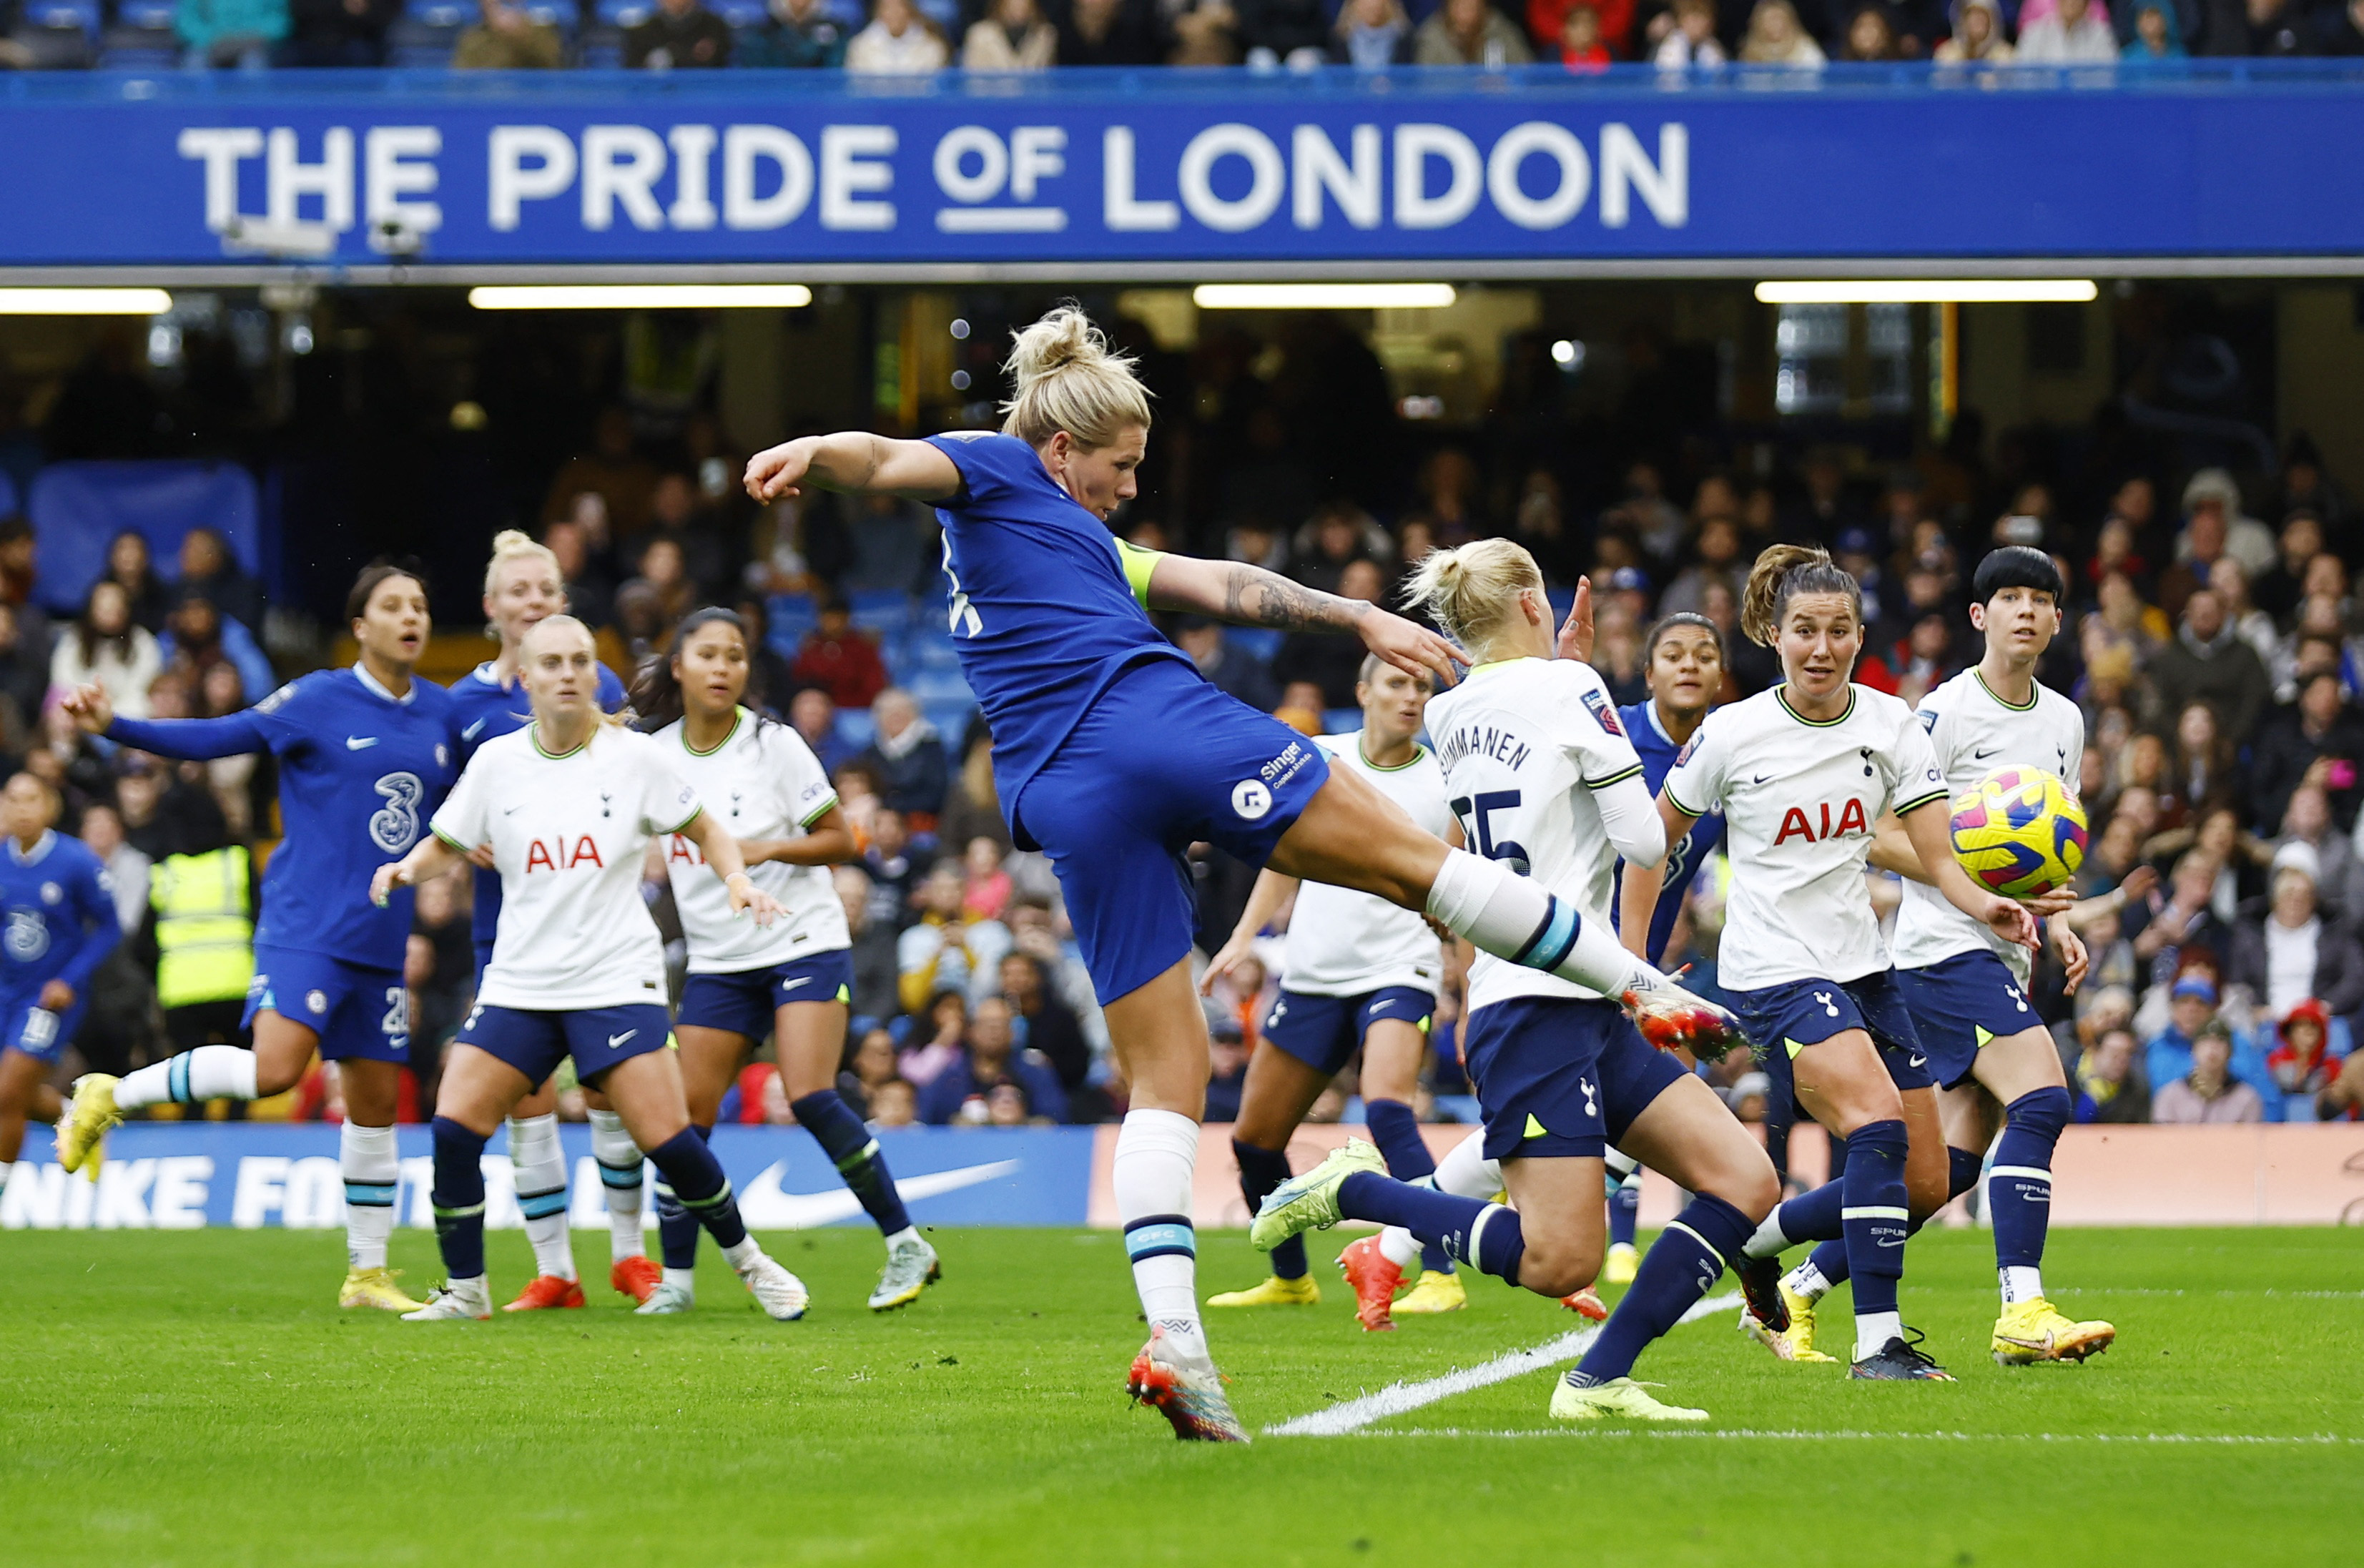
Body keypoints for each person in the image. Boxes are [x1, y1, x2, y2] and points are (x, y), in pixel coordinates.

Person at [742, 305, 1735, 1441]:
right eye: (1119, 467)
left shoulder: (1057, 539)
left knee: (1165, 1083)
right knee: (1416, 866)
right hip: (1150, 722)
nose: (1125, 486)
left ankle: (1177, 1351)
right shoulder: (1001, 466)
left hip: (1064, 796)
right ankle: (1645, 990)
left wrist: (1352, 610)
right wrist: (817, 454)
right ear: (1064, 450)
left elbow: (1217, 583)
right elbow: (888, 460)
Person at [1254, 538, 1781, 1423]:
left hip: (1571, 997)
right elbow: (1644, 843)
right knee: (1560, 1261)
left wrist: (1576, 689)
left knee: (1745, 1180)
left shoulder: (1453, 710)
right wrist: (1597, 709)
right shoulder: (1572, 692)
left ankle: (1596, 1380)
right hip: (1544, 1002)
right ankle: (1356, 1191)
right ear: (1536, 603)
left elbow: (1531, 776)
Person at [1632, 544, 2040, 1381]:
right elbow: (1649, 842)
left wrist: (1987, 902)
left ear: (1861, 637)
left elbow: (1935, 852)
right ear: (1774, 636)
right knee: (1877, 1128)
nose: (1822, 648)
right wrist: (1629, 964)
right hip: (1772, 972)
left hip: (1863, 966)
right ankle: (1878, 1344)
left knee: (1928, 1181)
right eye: (1805, 631)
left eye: (1839, 631)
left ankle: (1757, 1242)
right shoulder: (1732, 731)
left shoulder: (1892, 724)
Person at [369, 616, 807, 1323]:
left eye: (579, 660)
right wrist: (405, 868)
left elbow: (708, 830)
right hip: (522, 982)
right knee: (454, 1127)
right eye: (552, 663)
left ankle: (751, 1264)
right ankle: (466, 1291)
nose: (568, 672)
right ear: (528, 678)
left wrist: (735, 879)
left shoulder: (634, 759)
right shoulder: (497, 762)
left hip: (613, 980)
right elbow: (446, 842)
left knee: (670, 1142)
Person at [55, 564, 461, 1314]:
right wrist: (111, 725)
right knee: (276, 1070)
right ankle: (112, 1093)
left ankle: (366, 1275)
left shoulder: (444, 715)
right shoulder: (317, 699)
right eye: (393, 606)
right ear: (361, 627)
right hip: (305, 925)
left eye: (422, 606)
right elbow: (217, 738)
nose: (413, 617)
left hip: (380, 937)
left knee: (375, 1106)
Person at [1814, 546, 2114, 1366]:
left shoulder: (2065, 720)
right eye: (2008, 597)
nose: (2025, 610)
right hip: (1942, 952)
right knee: (2046, 1100)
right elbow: (1875, 832)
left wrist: (2059, 923)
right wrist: (1973, 877)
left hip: (2006, 954)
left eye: (2040, 598)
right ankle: (2023, 1309)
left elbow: (2045, 851)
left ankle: (1797, 1286)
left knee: (1940, 1174)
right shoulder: (1940, 716)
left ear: (2057, 619)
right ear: (1979, 618)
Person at [637, 608, 938, 1313]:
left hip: (802, 939)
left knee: (808, 1093)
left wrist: (763, 849)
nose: (723, 668)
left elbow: (843, 840)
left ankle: (904, 1244)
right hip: (718, 957)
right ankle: (677, 1283)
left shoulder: (773, 745)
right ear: (677, 667)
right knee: (684, 1119)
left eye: (735, 657)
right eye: (707, 654)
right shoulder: (650, 756)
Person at [1199, 656, 1460, 1328]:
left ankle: (1438, 1271)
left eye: (1421, 686)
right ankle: (1291, 1281)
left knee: (1387, 1108)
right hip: (1316, 973)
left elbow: (1461, 879)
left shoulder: (1444, 777)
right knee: (1255, 1140)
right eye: (1397, 683)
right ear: (1363, 689)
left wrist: (1460, 962)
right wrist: (1242, 936)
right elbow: (1286, 856)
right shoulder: (1320, 758)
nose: (1410, 697)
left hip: (1400, 968)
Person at [447, 531, 649, 1312]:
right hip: (507, 930)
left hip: (597, 924)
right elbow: (445, 803)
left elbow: (635, 777)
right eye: (519, 591)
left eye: (546, 590)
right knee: (525, 1100)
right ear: (493, 608)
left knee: (608, 1094)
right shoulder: (460, 705)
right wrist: (463, 846)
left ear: (562, 603)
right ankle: (555, 1269)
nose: (534, 601)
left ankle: (630, 1257)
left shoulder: (593, 686)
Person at [0, 773, 122, 1178]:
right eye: (13, 800)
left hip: (46, 998)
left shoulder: (75, 860)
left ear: (49, 806)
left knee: (6, 1094)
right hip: (5, 992)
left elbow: (109, 927)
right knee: (14, 1092)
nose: (21, 809)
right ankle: (75, 1115)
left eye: (31, 799)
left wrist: (69, 979)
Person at [51, 581, 162, 723]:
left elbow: (145, 684)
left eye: (115, 608)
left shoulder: (142, 641)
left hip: (129, 711)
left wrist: (112, 711)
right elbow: (63, 680)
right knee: (59, 716)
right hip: (84, 710)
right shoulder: (74, 640)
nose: (109, 614)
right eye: (103, 608)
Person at [789, 597, 890, 712]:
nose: (833, 624)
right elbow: (800, 683)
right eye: (828, 618)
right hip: (818, 713)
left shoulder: (863, 647)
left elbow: (874, 686)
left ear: (847, 619)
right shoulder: (810, 647)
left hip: (857, 712)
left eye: (837, 618)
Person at [2152, 1022, 2264, 1123]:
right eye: (2206, 1041)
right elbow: (2164, 1141)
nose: (2212, 1048)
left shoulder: (2246, 1098)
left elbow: (2250, 1142)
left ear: (2230, 1053)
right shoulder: (2171, 1096)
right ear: (2193, 1050)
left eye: (2220, 1042)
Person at [624, 0, 734, 64]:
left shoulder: (715, 27)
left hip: (704, 95)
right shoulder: (642, 32)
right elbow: (633, 73)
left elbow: (721, 65)